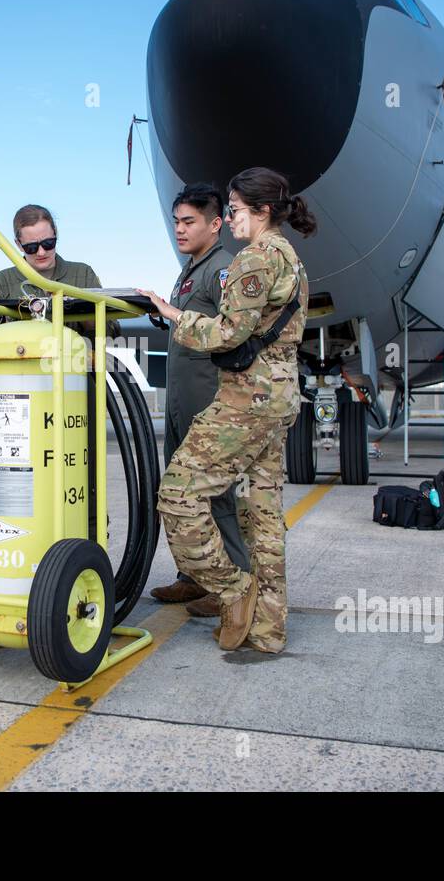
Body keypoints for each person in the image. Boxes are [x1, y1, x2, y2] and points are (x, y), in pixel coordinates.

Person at [139, 167, 312, 653]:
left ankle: (232, 590)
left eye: (234, 210)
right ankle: (269, 628)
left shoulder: (255, 258)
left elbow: (226, 334)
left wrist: (171, 314)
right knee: (264, 515)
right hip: (278, 399)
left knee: (177, 495)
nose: (230, 217)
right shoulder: (290, 257)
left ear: (259, 211)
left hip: (248, 400)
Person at [148, 183, 249, 618]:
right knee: (179, 493)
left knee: (214, 495)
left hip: (208, 403)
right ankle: (194, 575)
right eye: (176, 222)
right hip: (180, 403)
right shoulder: (191, 270)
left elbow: (232, 332)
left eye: (189, 222)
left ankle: (234, 584)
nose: (179, 229)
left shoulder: (223, 269)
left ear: (216, 223)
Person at [0, 205, 101, 328]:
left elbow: (112, 332)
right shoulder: (2, 282)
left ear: (56, 234)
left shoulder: (83, 274)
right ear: (18, 244)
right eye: (31, 247)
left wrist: (85, 314)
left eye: (48, 243)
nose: (41, 252)